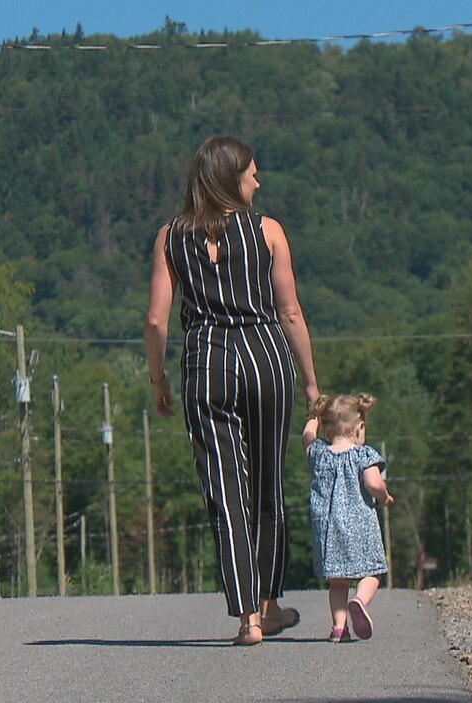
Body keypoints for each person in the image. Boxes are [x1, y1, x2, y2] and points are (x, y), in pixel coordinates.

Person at [144, 136, 320, 646]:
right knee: (266, 485)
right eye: (252, 175)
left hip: (206, 365)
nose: (258, 183)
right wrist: (311, 384)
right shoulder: (268, 232)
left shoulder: (169, 238)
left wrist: (157, 380)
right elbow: (290, 312)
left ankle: (249, 618)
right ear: (232, 179)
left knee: (225, 490)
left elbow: (157, 320)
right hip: (265, 357)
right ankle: (268, 604)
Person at [303, 393, 393, 642]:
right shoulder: (364, 455)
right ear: (359, 427)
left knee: (338, 582)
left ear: (327, 427)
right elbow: (373, 483)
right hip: (360, 526)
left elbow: (307, 438)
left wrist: (312, 417)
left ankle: (339, 628)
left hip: (329, 530)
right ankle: (360, 601)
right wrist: (384, 497)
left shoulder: (320, 454)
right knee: (373, 572)